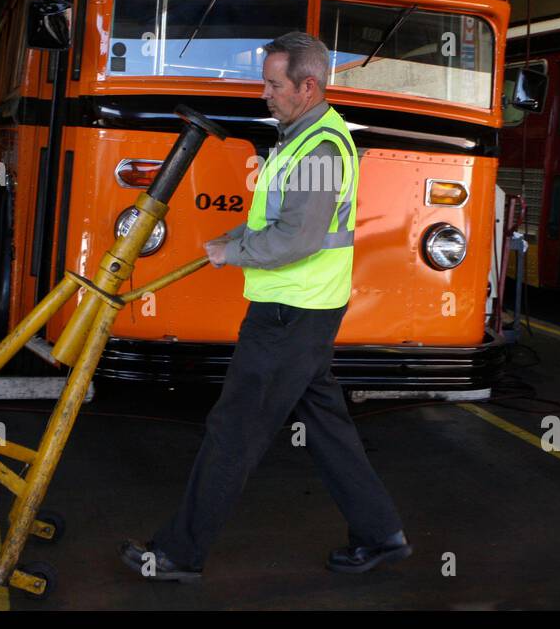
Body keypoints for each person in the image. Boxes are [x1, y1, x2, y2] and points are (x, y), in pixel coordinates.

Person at [120, 31, 410, 581]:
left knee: (233, 432)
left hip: (288, 316)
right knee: (326, 426)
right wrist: (234, 238)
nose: (264, 94)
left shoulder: (322, 147)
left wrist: (237, 252)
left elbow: (298, 238)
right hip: (302, 313)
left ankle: (179, 554)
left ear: (307, 85)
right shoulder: (301, 137)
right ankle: (381, 534)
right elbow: (276, 221)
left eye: (273, 84)